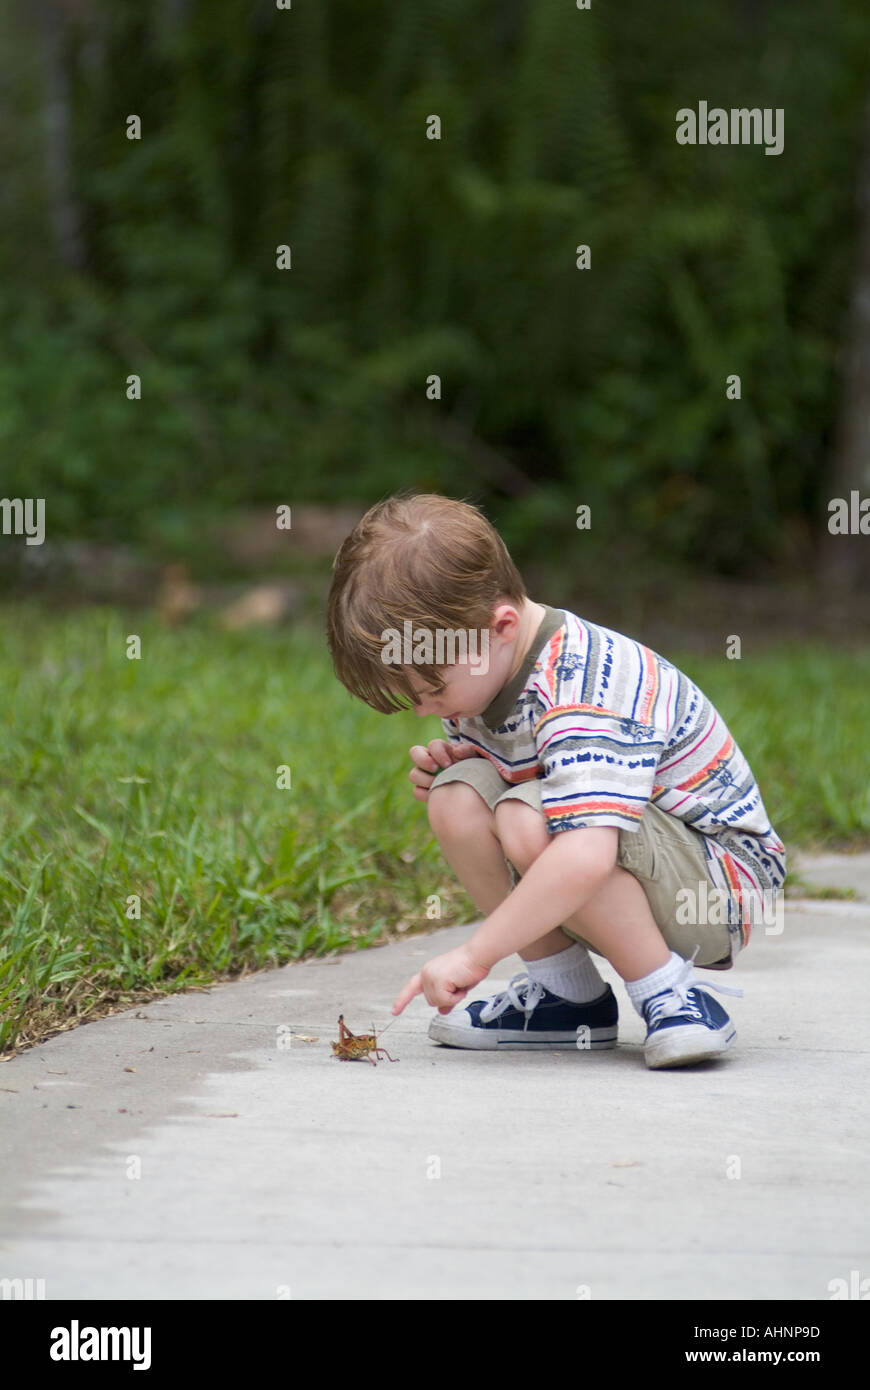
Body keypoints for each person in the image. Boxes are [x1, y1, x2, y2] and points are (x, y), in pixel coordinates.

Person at [326, 492, 786, 1068]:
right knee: (458, 798)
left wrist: (474, 957)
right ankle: (568, 998)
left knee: (528, 815)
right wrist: (465, 765)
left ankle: (671, 994)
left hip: (719, 890)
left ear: (502, 626)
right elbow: (526, 779)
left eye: (433, 690)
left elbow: (586, 851)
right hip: (633, 863)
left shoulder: (583, 685)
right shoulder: (482, 669)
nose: (425, 709)